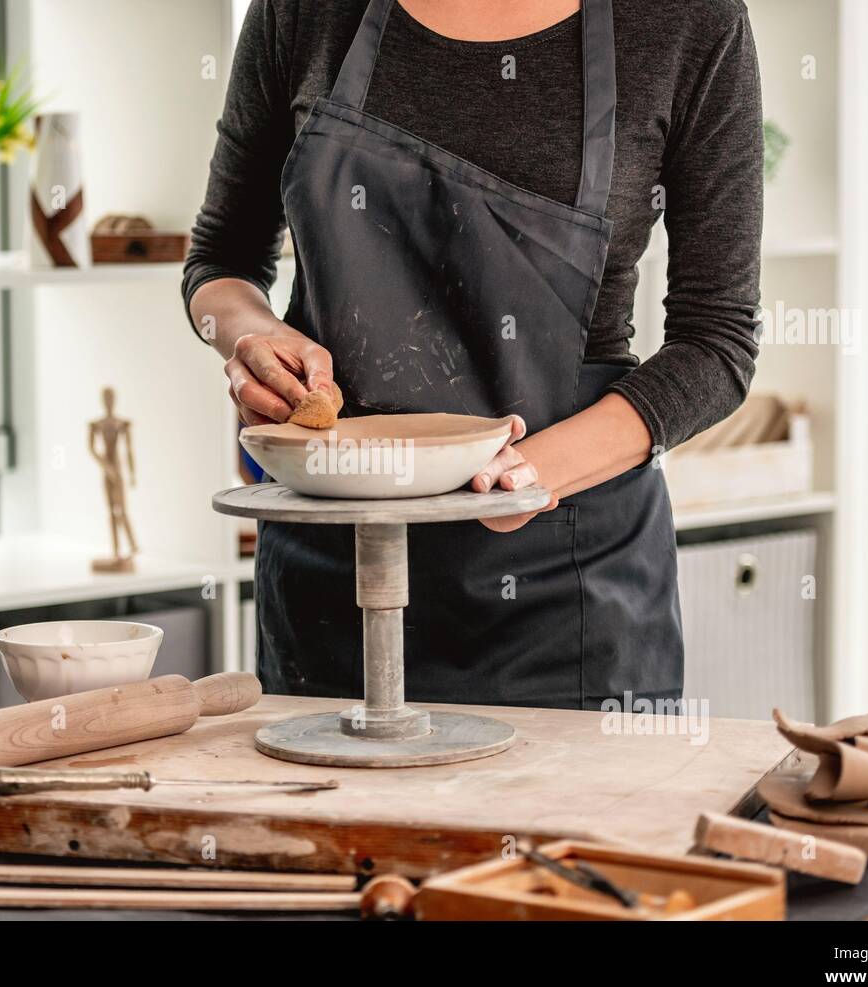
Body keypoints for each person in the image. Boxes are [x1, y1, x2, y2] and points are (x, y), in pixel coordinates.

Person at [183, 0, 763, 710]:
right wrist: (248, 334)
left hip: (565, 585)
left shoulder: (686, 21)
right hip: (336, 576)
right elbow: (221, 258)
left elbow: (717, 340)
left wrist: (530, 475)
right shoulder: (303, 12)